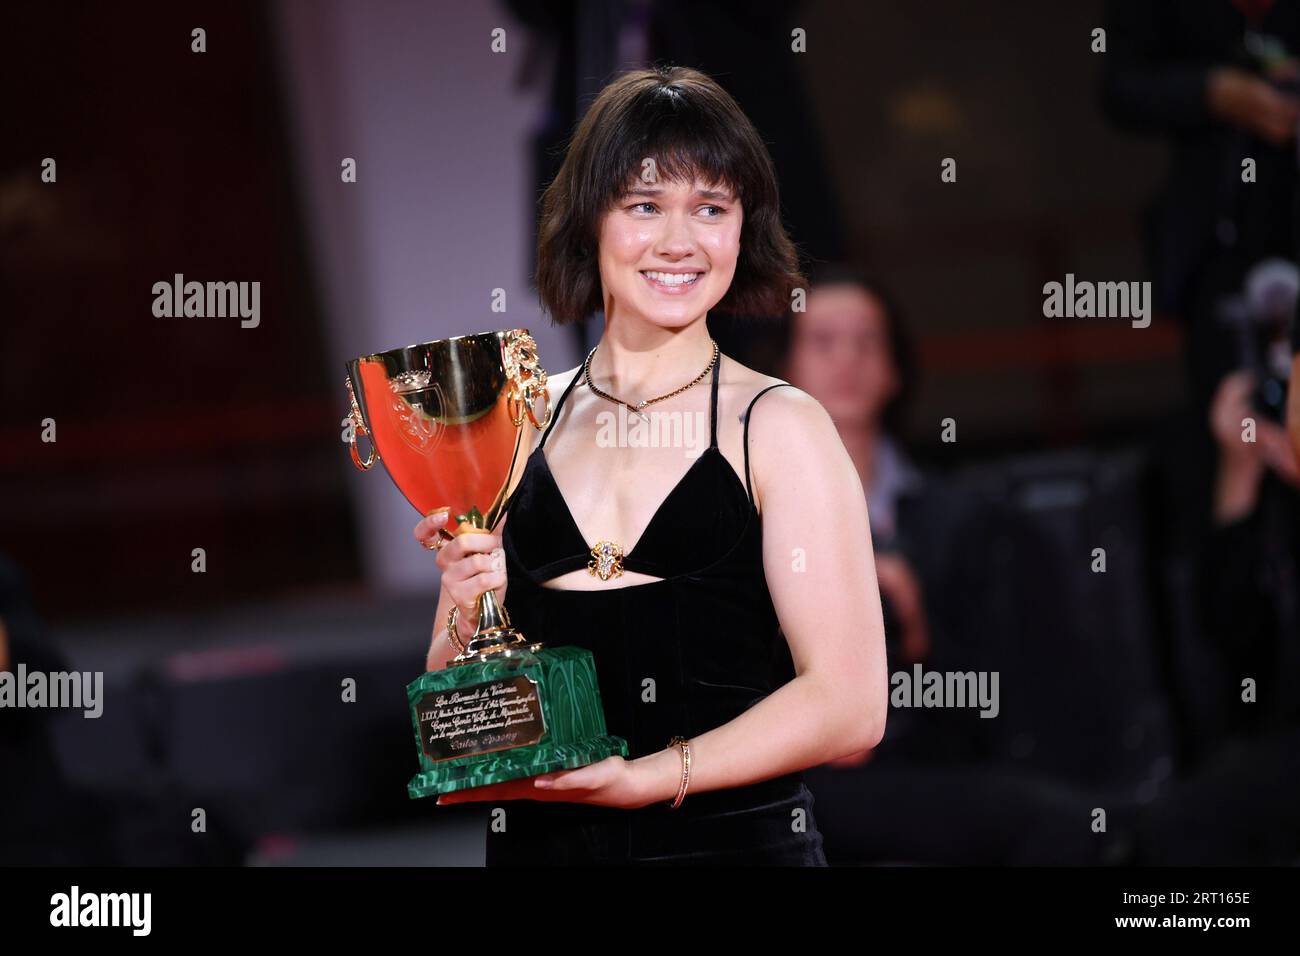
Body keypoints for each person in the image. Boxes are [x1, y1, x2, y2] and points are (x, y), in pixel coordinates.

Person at [413, 65, 888, 866]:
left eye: (711, 208)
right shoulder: (515, 423)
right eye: (645, 206)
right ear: (590, 222)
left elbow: (850, 707)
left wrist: (650, 777)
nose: (680, 241)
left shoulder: (781, 428)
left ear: (744, 228)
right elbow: (458, 725)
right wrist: (466, 605)